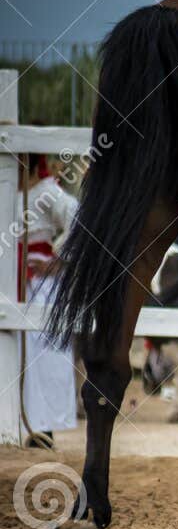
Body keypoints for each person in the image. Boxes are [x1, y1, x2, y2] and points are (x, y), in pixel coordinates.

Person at [17, 156, 79, 448]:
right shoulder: (5, 189)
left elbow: (77, 221)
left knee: (44, 358)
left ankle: (42, 428)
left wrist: (58, 261)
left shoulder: (46, 191)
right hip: (9, 281)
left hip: (38, 284)